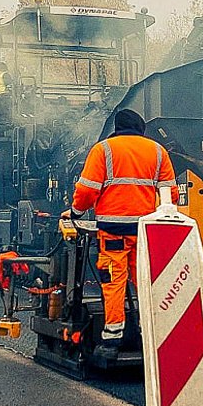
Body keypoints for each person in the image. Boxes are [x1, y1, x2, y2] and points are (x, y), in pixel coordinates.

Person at [66, 109, 178, 362]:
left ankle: (112, 341)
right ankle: (155, 333)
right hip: (146, 230)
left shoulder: (103, 150)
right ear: (140, 127)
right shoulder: (158, 151)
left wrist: (75, 211)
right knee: (148, 281)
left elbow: (87, 191)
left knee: (115, 282)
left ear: (116, 127)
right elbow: (170, 194)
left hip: (113, 231)